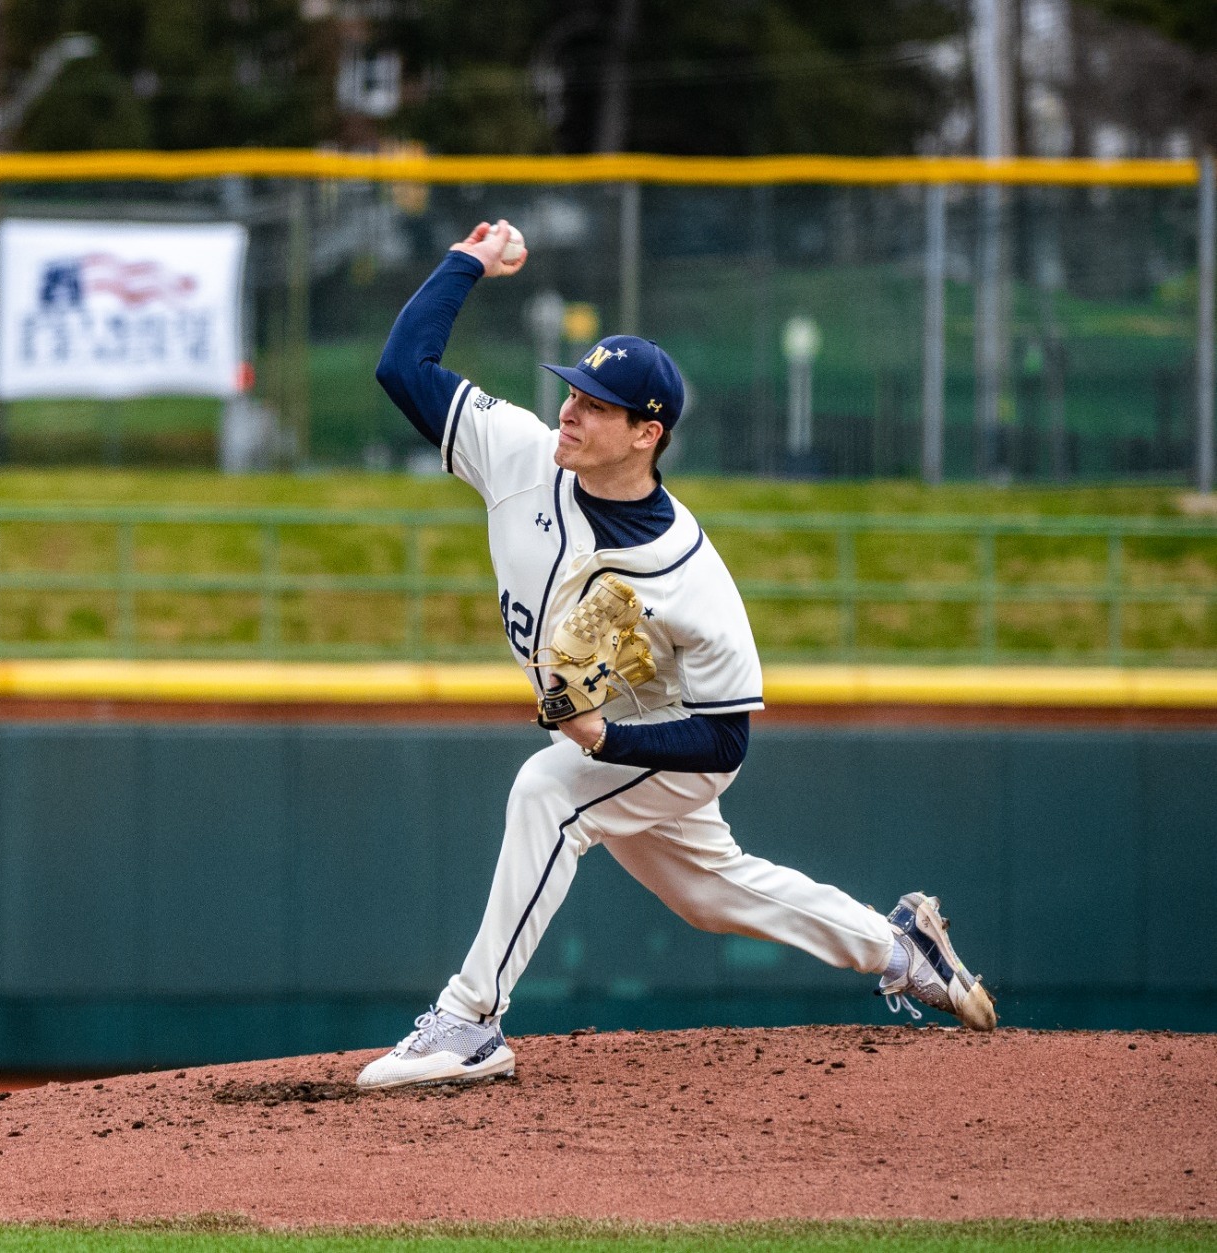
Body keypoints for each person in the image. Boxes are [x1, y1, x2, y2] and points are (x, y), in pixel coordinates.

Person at [357, 220, 996, 1091]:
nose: (568, 411)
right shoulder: (520, 456)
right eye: (571, 392)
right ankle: (897, 946)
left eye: (594, 405)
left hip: (673, 739)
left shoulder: (690, 578)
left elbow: (726, 739)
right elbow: (403, 368)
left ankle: (470, 1020)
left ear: (645, 433)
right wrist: (464, 263)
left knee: (548, 791)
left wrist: (604, 741)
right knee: (708, 893)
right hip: (609, 729)